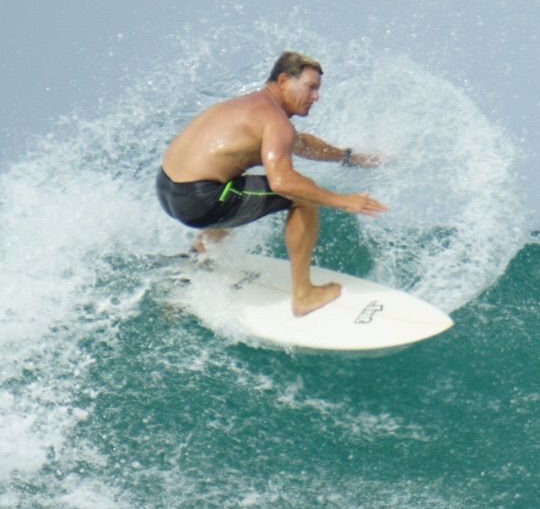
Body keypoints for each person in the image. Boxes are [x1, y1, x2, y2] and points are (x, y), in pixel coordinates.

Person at [157, 51, 388, 317]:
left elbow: (300, 143)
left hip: (168, 190)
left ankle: (196, 259)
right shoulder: (276, 121)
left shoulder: (250, 108)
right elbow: (283, 183)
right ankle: (304, 294)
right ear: (283, 81)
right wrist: (345, 201)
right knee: (302, 193)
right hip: (201, 200)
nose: (316, 96)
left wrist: (349, 157)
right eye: (310, 87)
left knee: (237, 188)